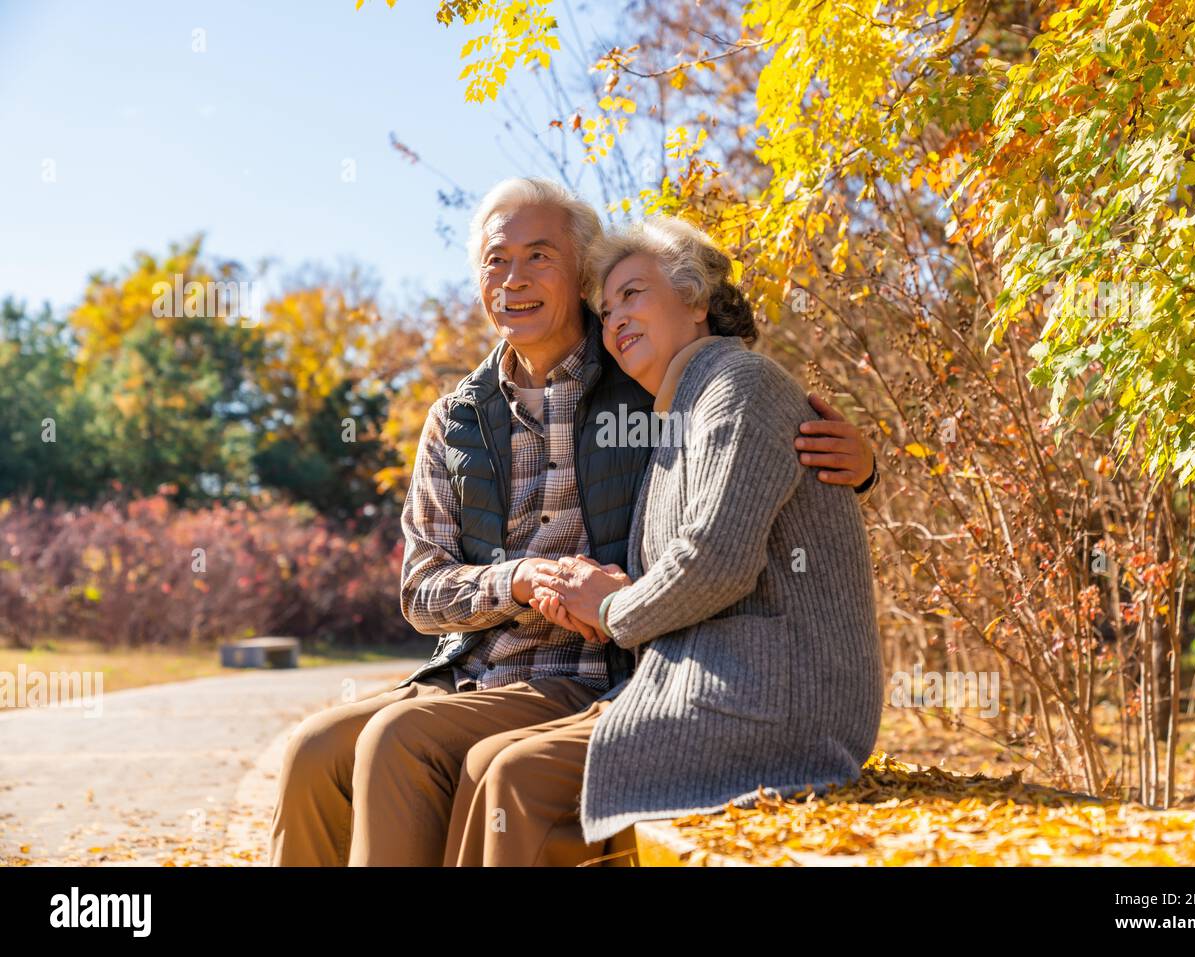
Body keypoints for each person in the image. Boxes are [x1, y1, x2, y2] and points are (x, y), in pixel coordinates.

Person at [270, 181, 878, 866]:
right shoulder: (458, 419)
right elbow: (420, 589)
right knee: (314, 751)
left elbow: (750, 462)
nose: (516, 278)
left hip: (593, 669)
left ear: (579, 273)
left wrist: (858, 463)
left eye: (539, 256)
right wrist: (516, 581)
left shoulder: (645, 382)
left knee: (401, 743)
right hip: (473, 672)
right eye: (497, 261)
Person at [444, 216, 883, 867]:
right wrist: (588, 592)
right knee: (486, 762)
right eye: (607, 305)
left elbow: (716, 559)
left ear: (696, 300)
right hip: (706, 683)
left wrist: (612, 609)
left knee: (518, 778)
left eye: (634, 293)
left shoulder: (741, 385)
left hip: (778, 696)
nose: (615, 316)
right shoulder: (678, 416)